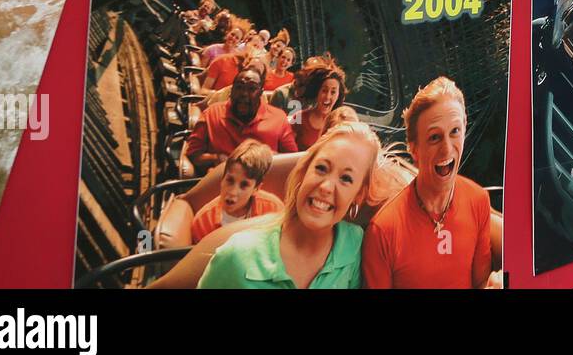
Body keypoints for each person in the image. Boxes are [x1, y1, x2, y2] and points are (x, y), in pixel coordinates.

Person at [197, 123, 381, 289]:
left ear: (359, 194)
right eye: (321, 168)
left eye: (346, 179)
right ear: (304, 171)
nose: (325, 187)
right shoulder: (236, 256)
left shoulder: (355, 244)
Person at [362, 76, 497, 288]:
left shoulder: (478, 199)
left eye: (455, 132)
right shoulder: (383, 230)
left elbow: (480, 281)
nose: (447, 148)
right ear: (413, 148)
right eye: (434, 137)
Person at [185, 61, 299, 175]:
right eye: (239, 87)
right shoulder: (211, 113)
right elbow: (193, 153)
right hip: (220, 180)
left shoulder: (278, 118)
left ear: (260, 93)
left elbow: (291, 160)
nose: (244, 93)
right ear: (231, 90)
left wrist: (267, 159)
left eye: (251, 89)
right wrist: (215, 158)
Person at [188, 139, 284, 242]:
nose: (233, 192)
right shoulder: (203, 221)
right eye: (230, 180)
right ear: (222, 179)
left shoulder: (273, 209)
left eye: (244, 185)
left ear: (256, 189)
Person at [292, 60, 347, 150]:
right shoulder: (298, 117)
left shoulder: (342, 123)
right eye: (324, 91)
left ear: (338, 95)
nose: (328, 97)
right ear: (317, 91)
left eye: (333, 92)